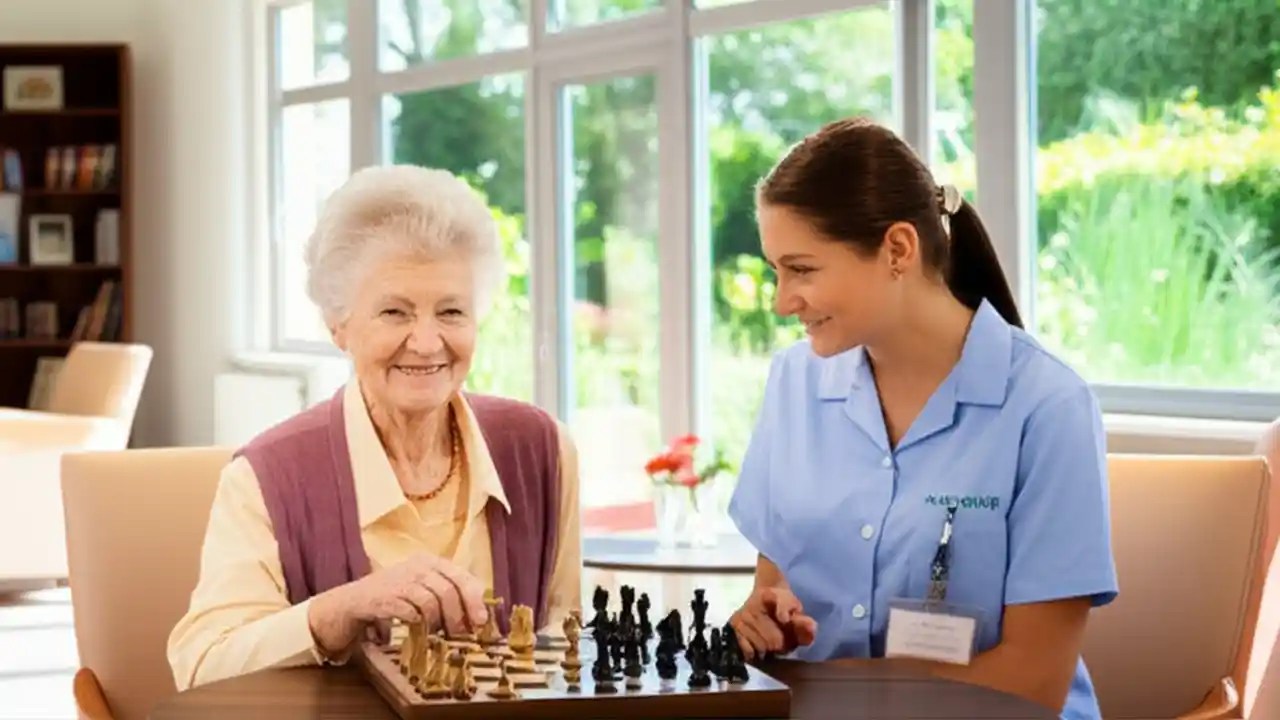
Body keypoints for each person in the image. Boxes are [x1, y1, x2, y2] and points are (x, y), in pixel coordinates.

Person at [725, 118, 1117, 720]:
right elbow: (774, 592)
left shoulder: (1046, 406)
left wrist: (828, 689)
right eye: (777, 271)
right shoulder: (793, 384)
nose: (782, 301)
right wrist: (765, 624)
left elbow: (1032, 682)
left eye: (801, 269)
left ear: (898, 250)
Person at [167, 166, 582, 690]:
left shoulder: (542, 450)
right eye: (394, 312)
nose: (428, 342)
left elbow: (565, 641)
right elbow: (201, 665)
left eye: (451, 311)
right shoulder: (267, 477)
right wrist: (337, 612)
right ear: (339, 325)